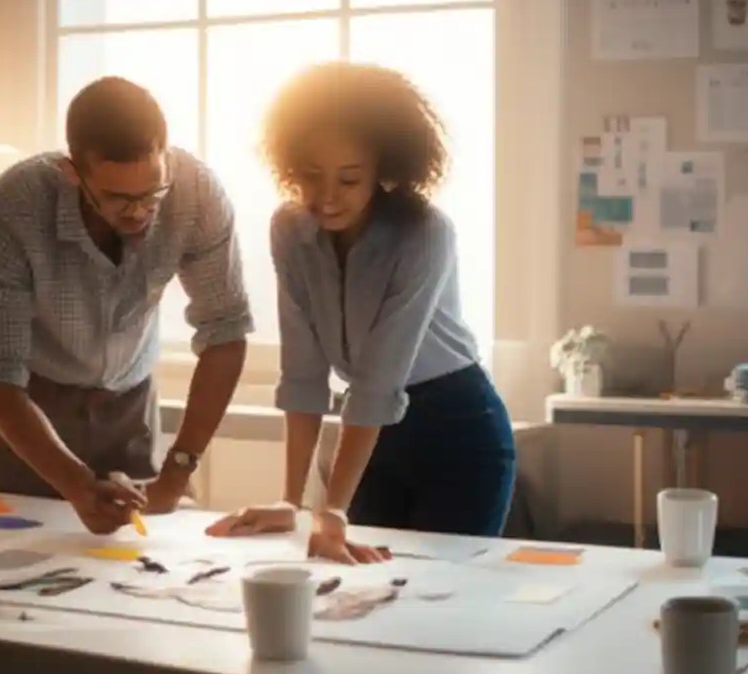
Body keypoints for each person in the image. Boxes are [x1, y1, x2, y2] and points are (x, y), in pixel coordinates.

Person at [207, 62, 517, 563]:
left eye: (349, 180)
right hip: (371, 433)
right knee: (357, 586)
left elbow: (379, 381)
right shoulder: (290, 229)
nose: (326, 197)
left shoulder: (426, 233)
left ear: (384, 174)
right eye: (311, 176)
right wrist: (292, 501)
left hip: (458, 429)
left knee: (440, 595)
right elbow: (304, 373)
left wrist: (330, 511)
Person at [0, 76, 253, 536]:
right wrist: (76, 483)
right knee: (31, 552)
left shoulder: (198, 195)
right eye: (118, 198)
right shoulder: (12, 207)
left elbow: (225, 333)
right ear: (72, 173)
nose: (139, 212)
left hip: (128, 401)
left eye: (152, 193)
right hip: (28, 406)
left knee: (135, 550)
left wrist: (177, 472)